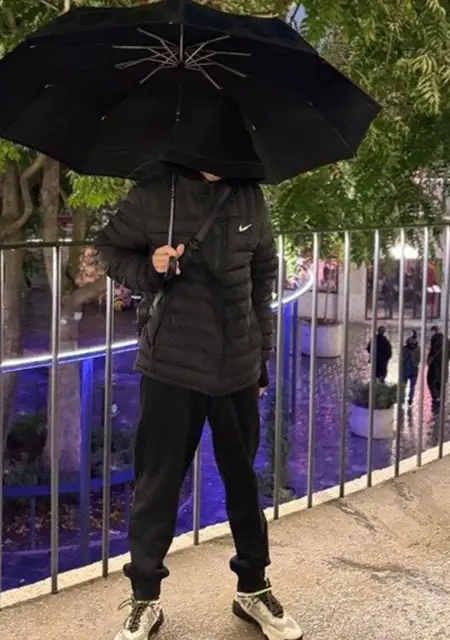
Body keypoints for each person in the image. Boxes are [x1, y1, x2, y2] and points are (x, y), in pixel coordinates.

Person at [95, 164, 303, 640]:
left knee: (243, 485)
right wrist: (150, 269)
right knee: (157, 486)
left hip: (237, 367)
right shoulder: (154, 191)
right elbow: (109, 249)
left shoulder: (249, 197)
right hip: (170, 365)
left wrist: (261, 359)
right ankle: (145, 599)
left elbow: (262, 279)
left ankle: (253, 589)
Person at [427, 325, 450, 410]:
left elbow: (433, 350)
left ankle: (436, 397)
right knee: (441, 381)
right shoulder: (447, 340)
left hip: (435, 365)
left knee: (430, 380)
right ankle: (440, 397)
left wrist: (429, 359)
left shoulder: (435, 338)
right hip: (444, 365)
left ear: (434, 331)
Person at [402, 330, 420, 406]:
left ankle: (402, 398)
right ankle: (410, 400)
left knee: (403, 385)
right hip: (414, 369)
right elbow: (420, 359)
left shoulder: (404, 349)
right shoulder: (418, 349)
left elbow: (402, 357)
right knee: (412, 386)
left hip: (406, 369)